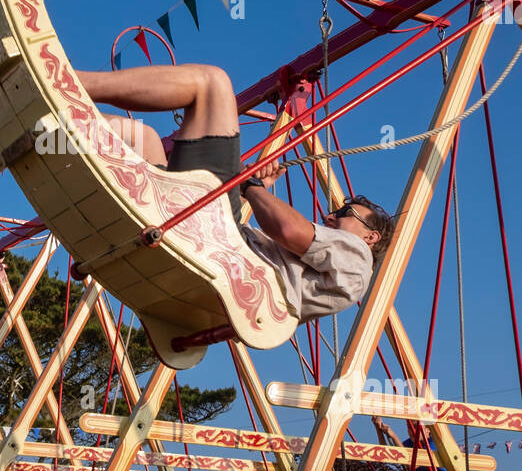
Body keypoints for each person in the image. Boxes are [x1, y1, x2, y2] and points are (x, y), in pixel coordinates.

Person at [79, 62, 394, 324]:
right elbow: (268, 239)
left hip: (214, 248)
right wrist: (254, 190)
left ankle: (74, 82)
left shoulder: (357, 257)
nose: (330, 214)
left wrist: (250, 185)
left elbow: (286, 229)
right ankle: (58, 122)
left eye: (344, 213)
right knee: (142, 137)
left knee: (213, 84)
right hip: (215, 259)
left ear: (371, 237)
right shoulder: (326, 276)